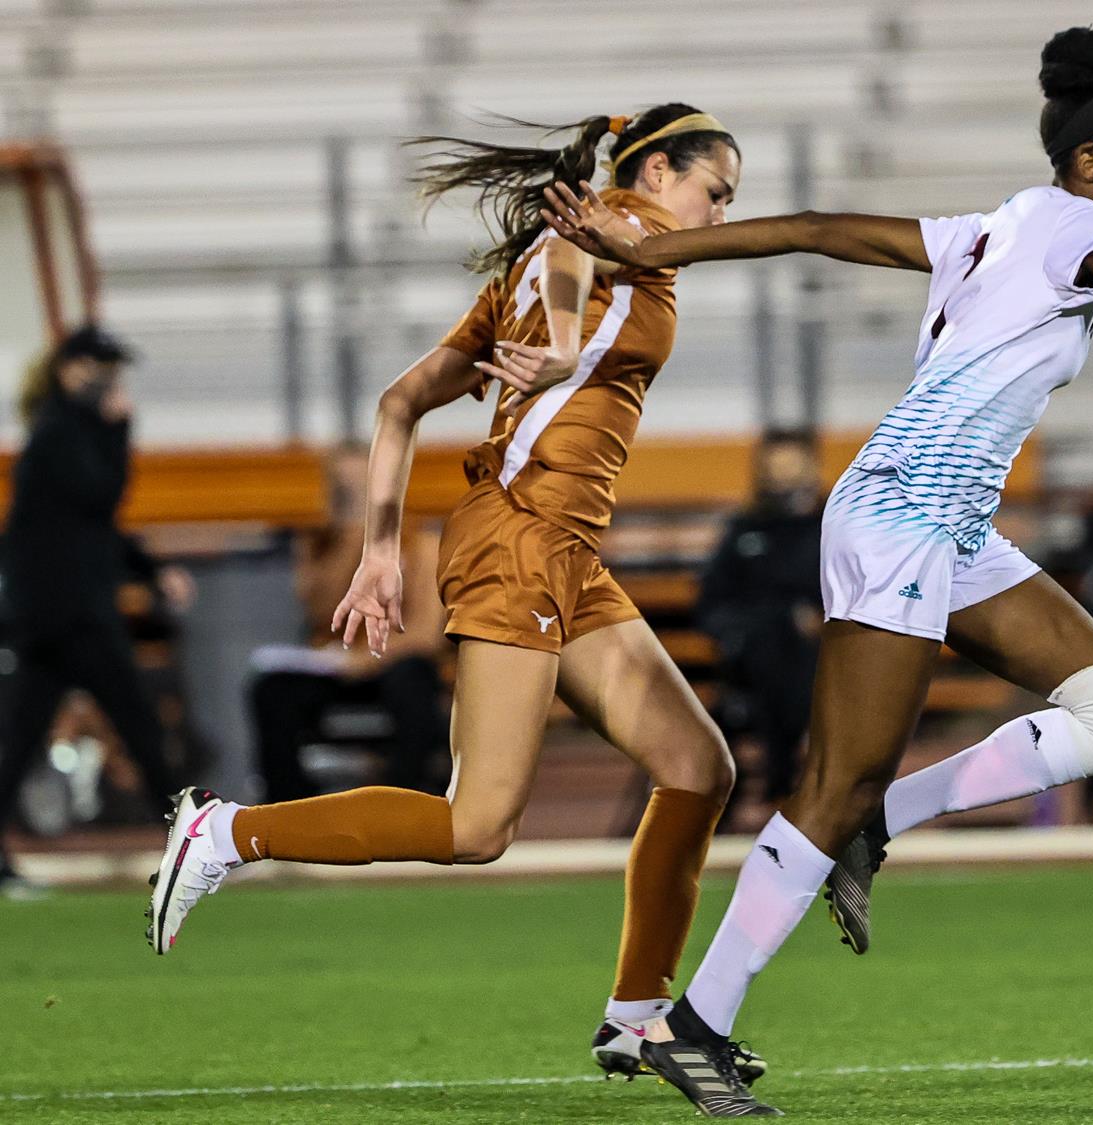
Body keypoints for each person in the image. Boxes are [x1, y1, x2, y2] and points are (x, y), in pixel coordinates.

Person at [542, 27, 1093, 1115]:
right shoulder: (1077, 228)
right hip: (903, 519)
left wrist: (657, 253)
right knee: (829, 786)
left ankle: (881, 827)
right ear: (1089, 162)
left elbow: (822, 230)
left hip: (948, 524)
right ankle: (697, 1025)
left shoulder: (996, 227)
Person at [142, 104, 768, 1084]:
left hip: (561, 552)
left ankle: (638, 1014)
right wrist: (564, 342)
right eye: (714, 189)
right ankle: (223, 833)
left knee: (695, 767)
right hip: (523, 541)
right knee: (476, 826)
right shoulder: (621, 231)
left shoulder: (568, 250)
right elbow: (577, 257)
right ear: (653, 174)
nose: (723, 212)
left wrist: (380, 551)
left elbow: (400, 403)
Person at [0, 326, 195, 899]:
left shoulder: (64, 431)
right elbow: (104, 495)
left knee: (23, 737)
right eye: (101, 368)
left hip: (55, 612)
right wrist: (120, 427)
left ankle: (190, 842)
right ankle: (192, 845)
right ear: (70, 369)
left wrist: (151, 571)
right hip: (69, 613)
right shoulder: (62, 432)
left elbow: (96, 529)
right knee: (136, 721)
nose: (111, 381)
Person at [246, 445, 449, 802]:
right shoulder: (318, 544)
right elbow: (321, 612)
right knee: (273, 690)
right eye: (344, 489)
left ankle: (400, 795)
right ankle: (287, 801)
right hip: (337, 664)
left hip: (396, 662)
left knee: (414, 683)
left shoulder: (423, 545)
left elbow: (426, 634)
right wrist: (356, 534)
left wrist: (371, 660)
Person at [696, 429, 823, 815]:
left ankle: (785, 780)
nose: (783, 475)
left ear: (812, 467)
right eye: (775, 465)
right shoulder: (744, 531)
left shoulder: (834, 526)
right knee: (776, 635)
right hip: (753, 663)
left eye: (792, 465)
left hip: (823, 661)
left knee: (796, 643)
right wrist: (751, 629)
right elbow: (712, 603)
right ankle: (782, 780)